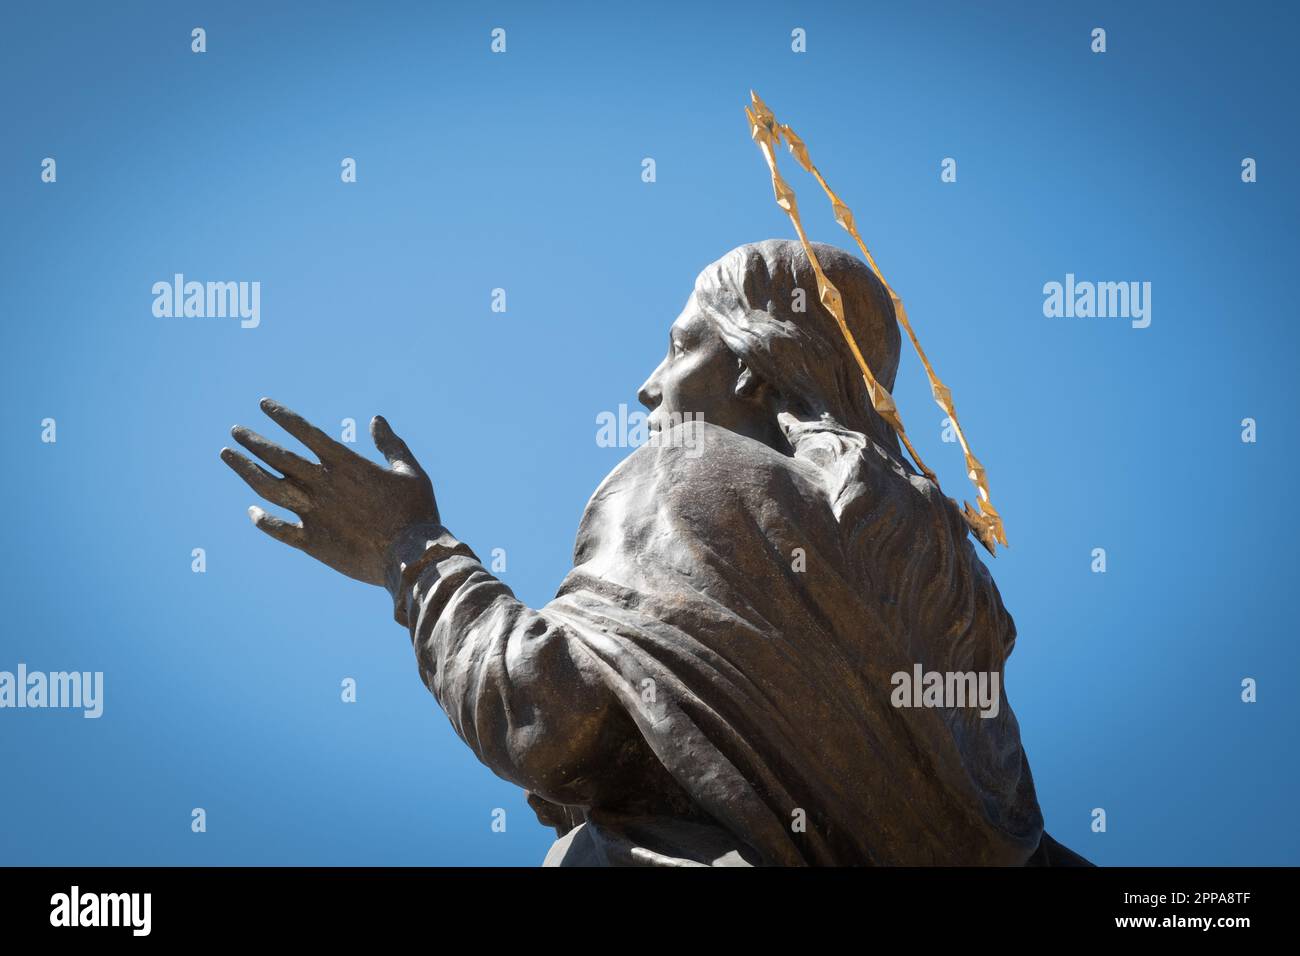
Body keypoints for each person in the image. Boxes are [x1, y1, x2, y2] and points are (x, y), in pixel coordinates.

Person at [221, 238, 1089, 866]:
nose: (648, 384)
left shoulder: (696, 467)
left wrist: (413, 552)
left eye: (681, 347)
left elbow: (550, 715)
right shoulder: (947, 582)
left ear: (753, 371)